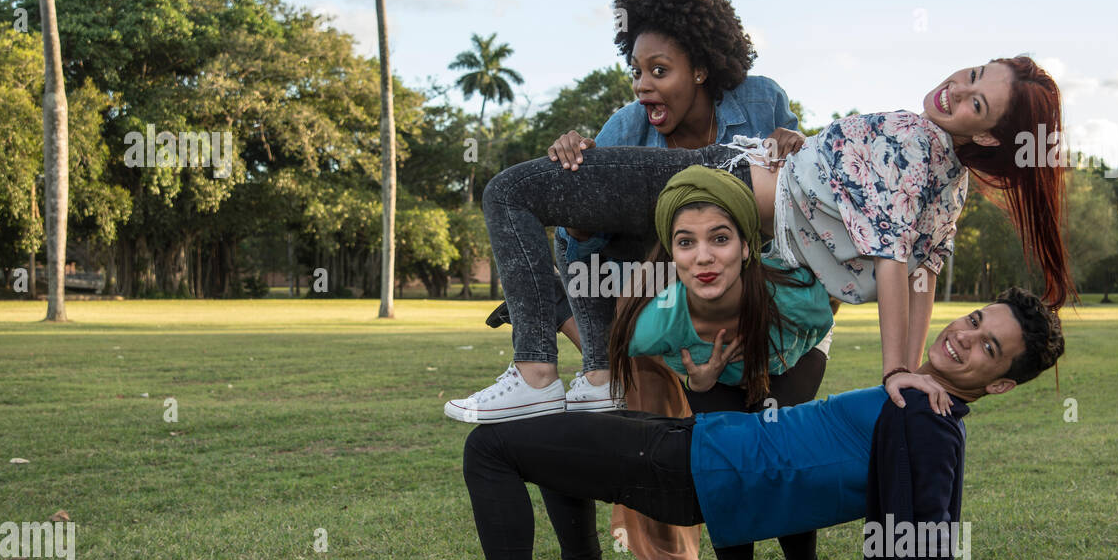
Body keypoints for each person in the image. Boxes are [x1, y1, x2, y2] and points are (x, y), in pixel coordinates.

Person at [432, 287, 1064, 560]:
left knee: (492, 446)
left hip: (698, 472)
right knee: (547, 435)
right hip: (703, 443)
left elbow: (922, 541)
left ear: (1001, 384)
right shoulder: (926, 401)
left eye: (988, 347)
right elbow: (927, 531)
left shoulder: (924, 422)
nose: (963, 336)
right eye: (976, 320)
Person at [446, 58, 1071, 431]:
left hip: (722, 183)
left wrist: (898, 372)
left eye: (976, 101)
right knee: (590, 250)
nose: (955, 90)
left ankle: (536, 374)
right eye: (971, 74)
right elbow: (919, 273)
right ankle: (593, 377)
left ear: (987, 139)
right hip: (741, 211)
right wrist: (903, 369)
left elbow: (899, 263)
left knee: (511, 191)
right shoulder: (947, 176)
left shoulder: (914, 139)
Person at [482, 0, 807, 412]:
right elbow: (586, 242)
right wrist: (575, 187)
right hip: (652, 270)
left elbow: (794, 198)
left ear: (700, 70)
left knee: (750, 400)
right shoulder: (625, 126)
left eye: (659, 70)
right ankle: (584, 345)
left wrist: (795, 144)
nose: (642, 85)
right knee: (646, 397)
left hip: (736, 273)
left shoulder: (760, 100)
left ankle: (566, 311)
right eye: (635, 71)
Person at [539, 166, 835, 560]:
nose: (703, 258)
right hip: (710, 370)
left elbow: (822, 324)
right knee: (723, 463)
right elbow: (635, 351)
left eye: (720, 239)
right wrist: (698, 382)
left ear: (745, 245)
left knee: (776, 456)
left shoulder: (796, 295)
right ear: (671, 253)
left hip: (791, 353)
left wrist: (765, 371)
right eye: (685, 243)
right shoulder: (659, 320)